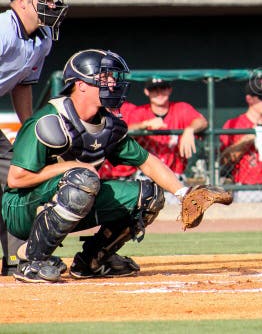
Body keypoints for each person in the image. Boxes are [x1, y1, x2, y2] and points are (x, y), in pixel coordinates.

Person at [1, 49, 186, 283]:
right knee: (81, 179)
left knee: (150, 196)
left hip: (72, 194)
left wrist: (184, 193)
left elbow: (147, 162)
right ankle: (33, 260)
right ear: (81, 85)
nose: (112, 84)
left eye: (113, 77)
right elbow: (16, 179)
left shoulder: (109, 124)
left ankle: (94, 260)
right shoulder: (48, 121)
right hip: (21, 207)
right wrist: (69, 167)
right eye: (104, 78)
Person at [0, 0, 69, 275]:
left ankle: (18, 257)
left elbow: (22, 85)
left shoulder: (42, 39)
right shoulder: (3, 29)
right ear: (23, 2)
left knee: (17, 174)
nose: (54, 5)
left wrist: (30, 131)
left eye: (56, 0)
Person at [124, 77, 208, 199]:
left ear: (169, 90)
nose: (159, 93)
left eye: (163, 88)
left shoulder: (181, 108)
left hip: (174, 177)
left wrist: (190, 130)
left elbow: (202, 122)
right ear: (147, 92)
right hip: (146, 177)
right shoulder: (140, 112)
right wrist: (144, 125)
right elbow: (126, 131)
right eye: (154, 89)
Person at [219, 75, 262, 203]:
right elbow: (225, 160)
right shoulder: (234, 124)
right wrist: (247, 139)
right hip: (246, 187)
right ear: (249, 99)